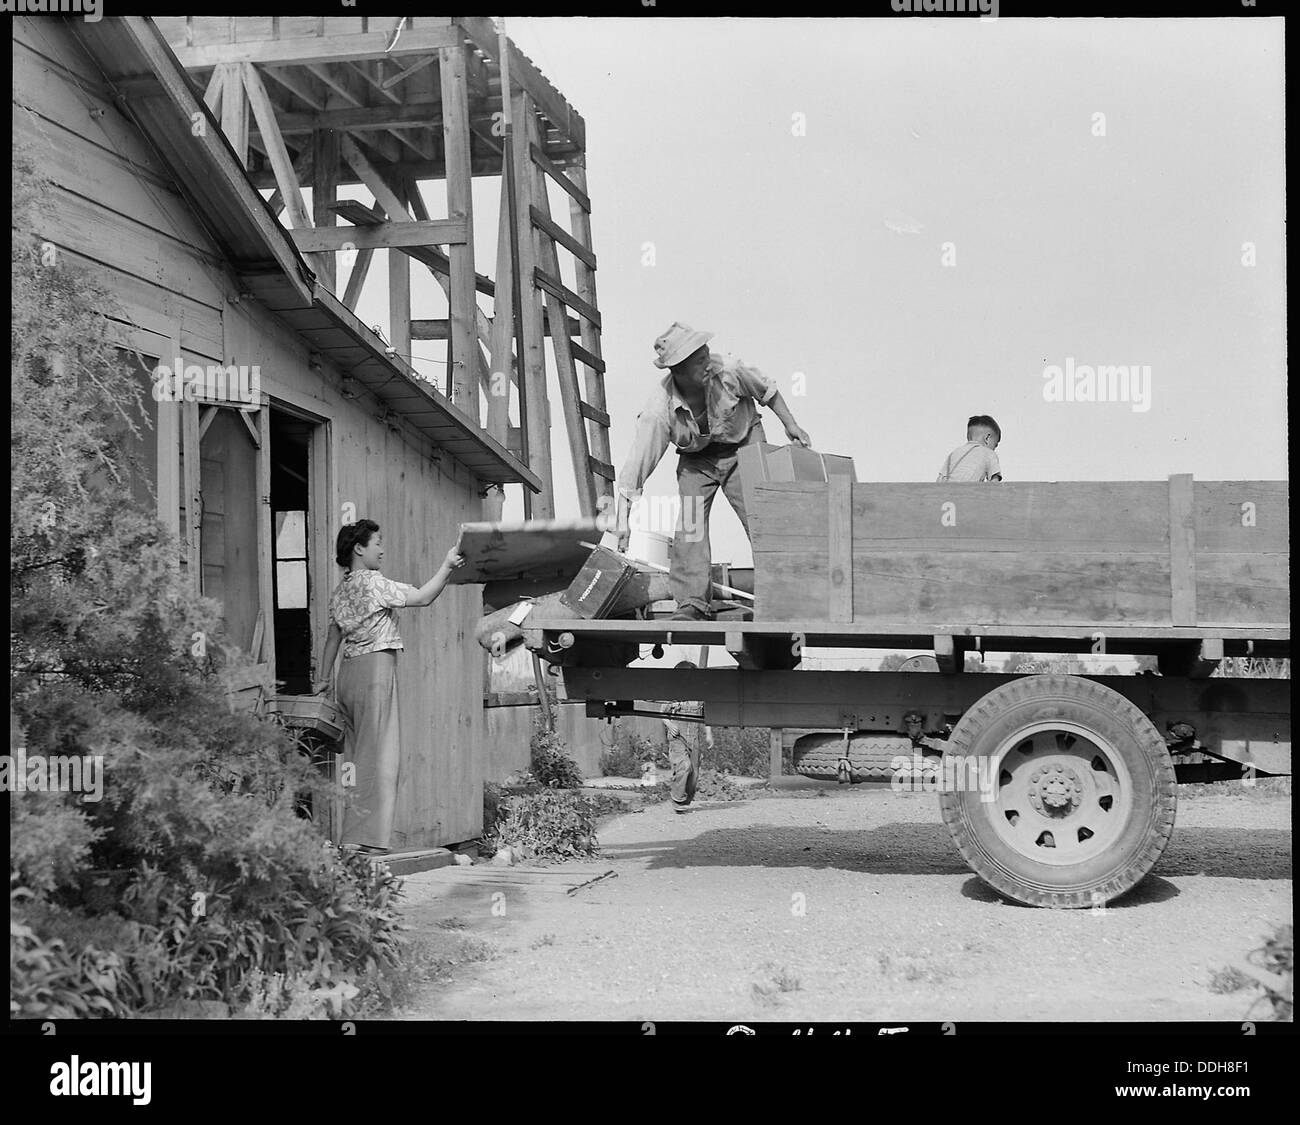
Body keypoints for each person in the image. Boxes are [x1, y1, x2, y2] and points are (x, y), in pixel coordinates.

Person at [615, 322, 811, 620]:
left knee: (763, 518)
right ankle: (693, 602)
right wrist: (622, 518)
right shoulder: (659, 411)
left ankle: (784, 597)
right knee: (690, 527)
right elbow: (636, 465)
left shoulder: (729, 369)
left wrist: (791, 424)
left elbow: (767, 391)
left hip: (743, 443)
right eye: (699, 361)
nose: (709, 364)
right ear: (678, 371)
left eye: (707, 355)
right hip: (697, 461)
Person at [313, 520, 464, 855]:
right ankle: (368, 839)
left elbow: (332, 639)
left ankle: (351, 834)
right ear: (359, 548)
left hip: (346, 676)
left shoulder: (342, 590)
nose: (382, 549)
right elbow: (423, 598)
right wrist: (447, 565)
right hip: (375, 671)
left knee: (354, 758)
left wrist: (322, 682)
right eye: (377, 542)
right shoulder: (374, 584)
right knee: (382, 757)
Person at [661, 662, 715, 814]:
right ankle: (677, 798)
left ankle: (685, 799)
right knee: (684, 766)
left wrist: (709, 734)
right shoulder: (673, 695)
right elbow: (662, 714)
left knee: (694, 772)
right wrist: (669, 724)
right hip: (677, 736)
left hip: (695, 737)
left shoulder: (699, 696)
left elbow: (706, 716)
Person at [937, 415, 1003, 482]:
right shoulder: (989, 453)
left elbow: (941, 479)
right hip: (969, 490)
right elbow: (994, 481)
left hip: (947, 490)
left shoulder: (954, 453)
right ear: (987, 438)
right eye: (995, 445)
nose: (994, 449)